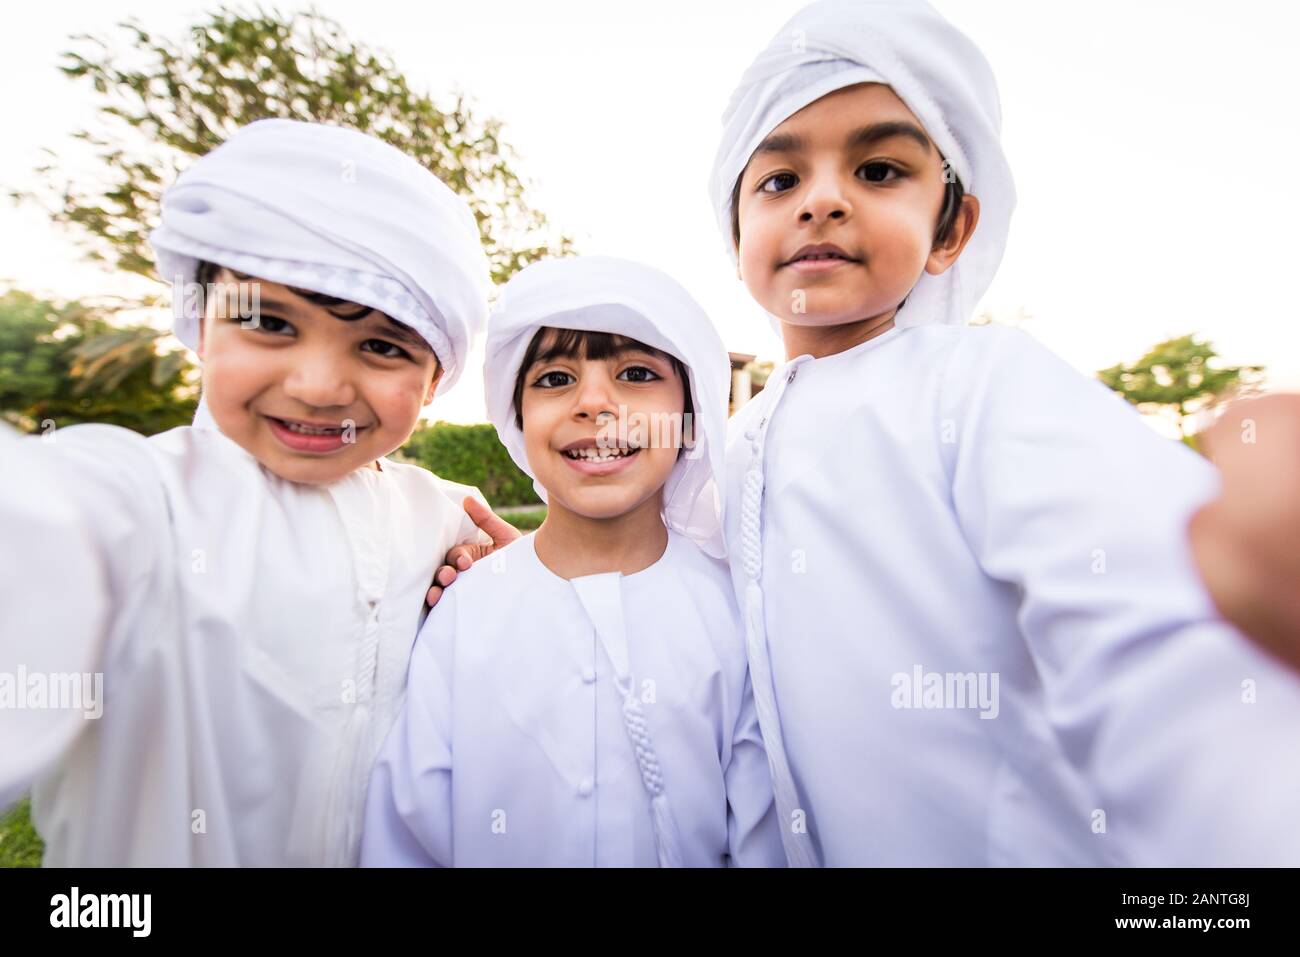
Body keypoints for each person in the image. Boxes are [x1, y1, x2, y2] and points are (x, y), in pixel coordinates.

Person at [704, 0, 1300, 865]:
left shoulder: (982, 385)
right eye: (778, 180)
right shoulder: (725, 449)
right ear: (737, 231)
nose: (823, 199)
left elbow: (1149, 621)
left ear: (952, 229)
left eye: (877, 170)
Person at [0, 119, 506, 865]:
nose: (319, 385)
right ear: (201, 325)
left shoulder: (445, 514)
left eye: (381, 346)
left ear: (434, 382)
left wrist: (518, 589)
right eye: (269, 322)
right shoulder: (141, 500)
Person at [361, 256, 785, 867]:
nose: (593, 403)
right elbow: (407, 831)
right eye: (555, 380)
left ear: (692, 421)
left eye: (636, 373)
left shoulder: (731, 607)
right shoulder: (466, 608)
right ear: (518, 420)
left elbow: (760, 833)